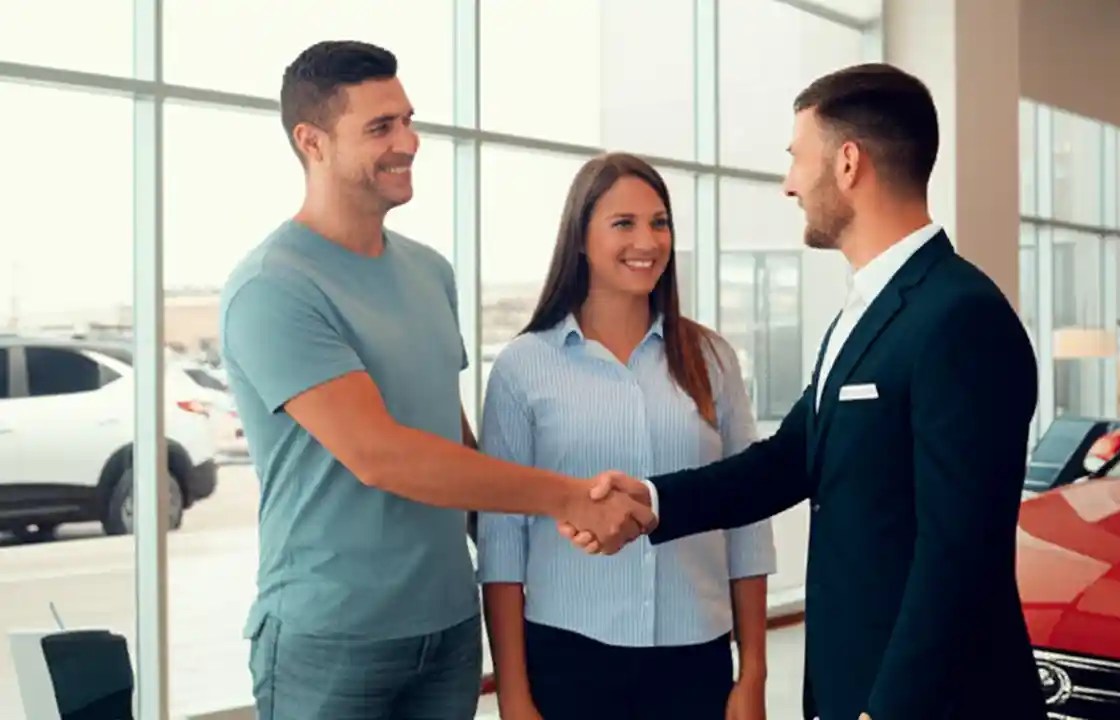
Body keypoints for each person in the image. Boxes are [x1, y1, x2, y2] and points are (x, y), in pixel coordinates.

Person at [563, 63, 1048, 720]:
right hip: (852, 682)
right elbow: (791, 458)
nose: (790, 183)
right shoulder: (865, 310)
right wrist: (650, 501)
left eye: (798, 158)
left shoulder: (961, 317)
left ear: (848, 163)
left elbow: (961, 554)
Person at [218, 41, 653, 719]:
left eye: (408, 120)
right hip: (333, 636)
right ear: (312, 142)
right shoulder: (274, 287)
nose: (409, 142)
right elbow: (382, 455)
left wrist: (526, 559)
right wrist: (567, 499)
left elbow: (448, 434)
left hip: (449, 628)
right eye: (380, 128)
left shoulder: (429, 272)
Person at [476, 153, 776, 720]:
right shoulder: (523, 366)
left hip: (697, 656)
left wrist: (753, 671)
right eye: (624, 223)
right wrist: (513, 695)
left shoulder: (711, 358)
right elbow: (501, 540)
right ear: (580, 239)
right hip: (569, 656)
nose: (648, 240)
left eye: (659, 222)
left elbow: (748, 516)